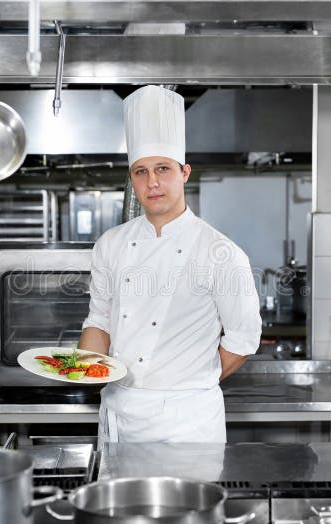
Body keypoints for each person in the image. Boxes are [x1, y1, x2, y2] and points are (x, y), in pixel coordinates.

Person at [78, 85, 261, 444]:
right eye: (141, 172)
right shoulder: (110, 245)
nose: (153, 182)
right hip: (119, 414)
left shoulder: (220, 252)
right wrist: (81, 370)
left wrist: (188, 385)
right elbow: (99, 321)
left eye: (162, 168)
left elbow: (243, 339)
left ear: (185, 172)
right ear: (132, 178)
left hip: (187, 424)